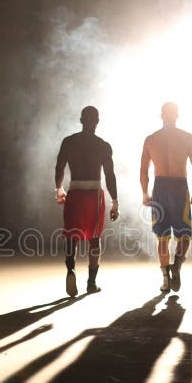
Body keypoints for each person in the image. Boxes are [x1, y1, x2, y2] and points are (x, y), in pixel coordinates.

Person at [55, 106, 119, 296]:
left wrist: (59, 189)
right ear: (97, 121)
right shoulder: (103, 145)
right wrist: (115, 201)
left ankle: (71, 270)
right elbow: (110, 175)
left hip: (75, 191)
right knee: (94, 238)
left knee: (71, 236)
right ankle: (91, 283)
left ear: (81, 120)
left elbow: (59, 168)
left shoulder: (69, 142)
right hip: (93, 194)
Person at [140, 102, 192, 293]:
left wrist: (145, 193)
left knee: (163, 237)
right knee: (184, 234)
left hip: (161, 188)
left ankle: (167, 278)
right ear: (177, 115)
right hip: (178, 186)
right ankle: (176, 265)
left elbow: (144, 170)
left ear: (161, 116)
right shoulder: (186, 138)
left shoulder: (152, 139)